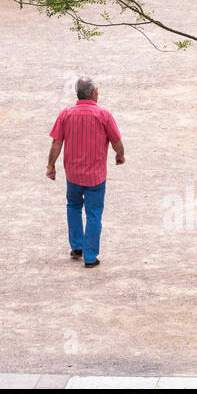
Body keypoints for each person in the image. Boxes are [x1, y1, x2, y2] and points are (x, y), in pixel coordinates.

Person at [46, 77, 125, 269]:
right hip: (96, 176)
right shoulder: (103, 115)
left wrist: (51, 166)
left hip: (73, 174)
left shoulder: (66, 114)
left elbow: (56, 143)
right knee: (93, 213)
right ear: (94, 93)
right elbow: (116, 141)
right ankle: (90, 257)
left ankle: (77, 247)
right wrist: (120, 155)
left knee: (73, 206)